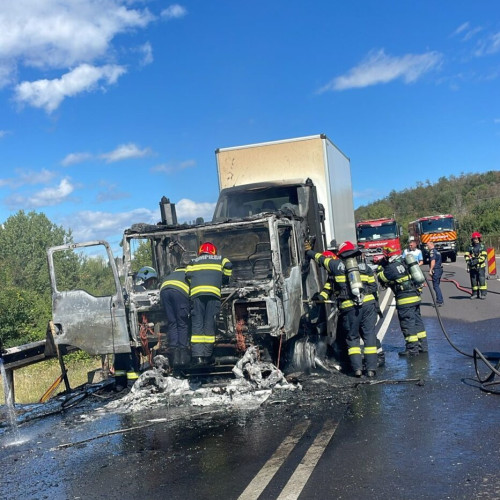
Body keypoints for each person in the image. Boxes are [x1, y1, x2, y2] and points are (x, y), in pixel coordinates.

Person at [306, 241, 378, 377]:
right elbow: (374, 287)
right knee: (369, 337)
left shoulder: (335, 265)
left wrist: (308, 252)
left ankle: (357, 369)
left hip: (349, 308)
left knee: (352, 338)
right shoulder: (365, 267)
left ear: (341, 254)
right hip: (368, 306)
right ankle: (371, 369)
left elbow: (321, 259)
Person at [186, 242, 232, 365]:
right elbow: (229, 265)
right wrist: (225, 278)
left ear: (200, 251)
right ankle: (207, 356)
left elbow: (188, 275)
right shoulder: (220, 258)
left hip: (196, 295)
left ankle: (197, 357)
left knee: (197, 324)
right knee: (209, 324)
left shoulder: (193, 261)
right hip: (213, 295)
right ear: (213, 251)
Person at [377, 246, 428, 355]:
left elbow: (382, 278)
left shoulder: (391, 267)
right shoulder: (405, 262)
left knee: (407, 324)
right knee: (417, 322)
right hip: (415, 297)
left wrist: (380, 267)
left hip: (405, 300)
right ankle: (422, 346)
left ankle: (412, 349)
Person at [160, 263, 191, 370]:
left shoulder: (171, 274)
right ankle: (183, 356)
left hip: (164, 291)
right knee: (182, 322)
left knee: (172, 322)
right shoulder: (189, 273)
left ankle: (175, 357)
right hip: (179, 292)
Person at [465, 232, 487, 299]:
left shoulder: (482, 247)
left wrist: (477, 261)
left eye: (477, 238)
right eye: (474, 239)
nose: (476, 240)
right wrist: (469, 262)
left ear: (479, 239)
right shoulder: (470, 247)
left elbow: (484, 256)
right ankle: (474, 294)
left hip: (481, 267)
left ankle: (483, 294)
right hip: (472, 267)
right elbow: (466, 255)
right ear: (472, 239)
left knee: (481, 280)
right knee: (473, 281)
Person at [427, 241, 443, 306]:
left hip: (436, 270)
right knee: (437, 285)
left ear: (431, 245)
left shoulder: (432, 252)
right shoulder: (437, 252)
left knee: (435, 286)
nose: (427, 247)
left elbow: (433, 261)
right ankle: (439, 299)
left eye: (428, 245)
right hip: (439, 269)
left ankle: (439, 301)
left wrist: (430, 270)